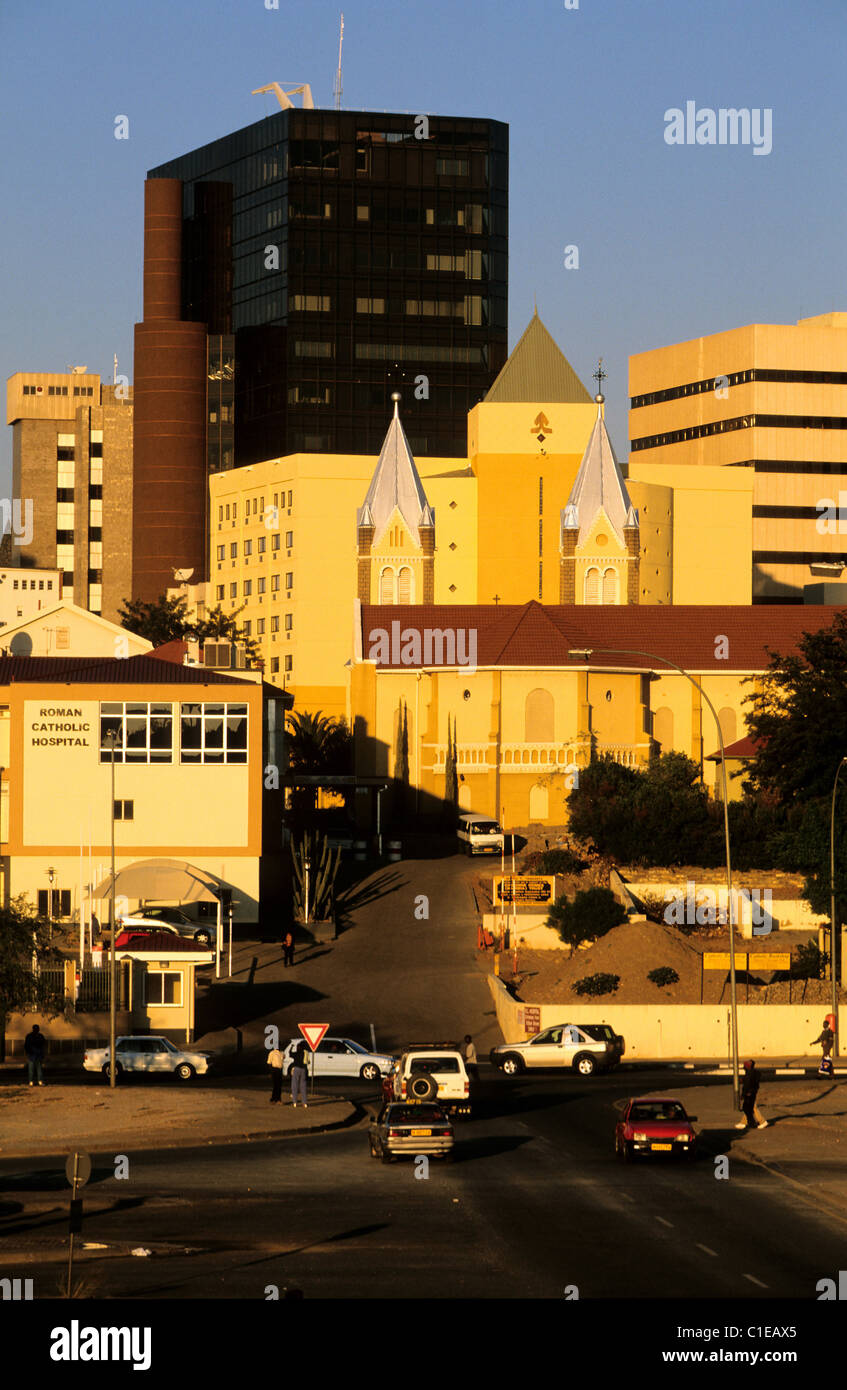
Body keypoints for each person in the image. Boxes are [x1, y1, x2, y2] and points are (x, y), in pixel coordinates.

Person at [735, 1059, 768, 1130]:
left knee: (752, 1107)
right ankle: (743, 1123)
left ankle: (762, 1121)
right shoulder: (753, 1073)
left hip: (750, 1093)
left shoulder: (749, 1075)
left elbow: (747, 1085)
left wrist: (743, 1094)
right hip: (753, 1092)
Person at [290, 1040, 308, 1108]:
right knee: (303, 1086)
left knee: (295, 1085)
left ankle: (295, 1102)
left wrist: (291, 1047)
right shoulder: (305, 1053)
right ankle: (304, 1103)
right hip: (303, 1069)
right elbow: (308, 1061)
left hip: (297, 1068)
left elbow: (290, 1053)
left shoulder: (296, 1053)